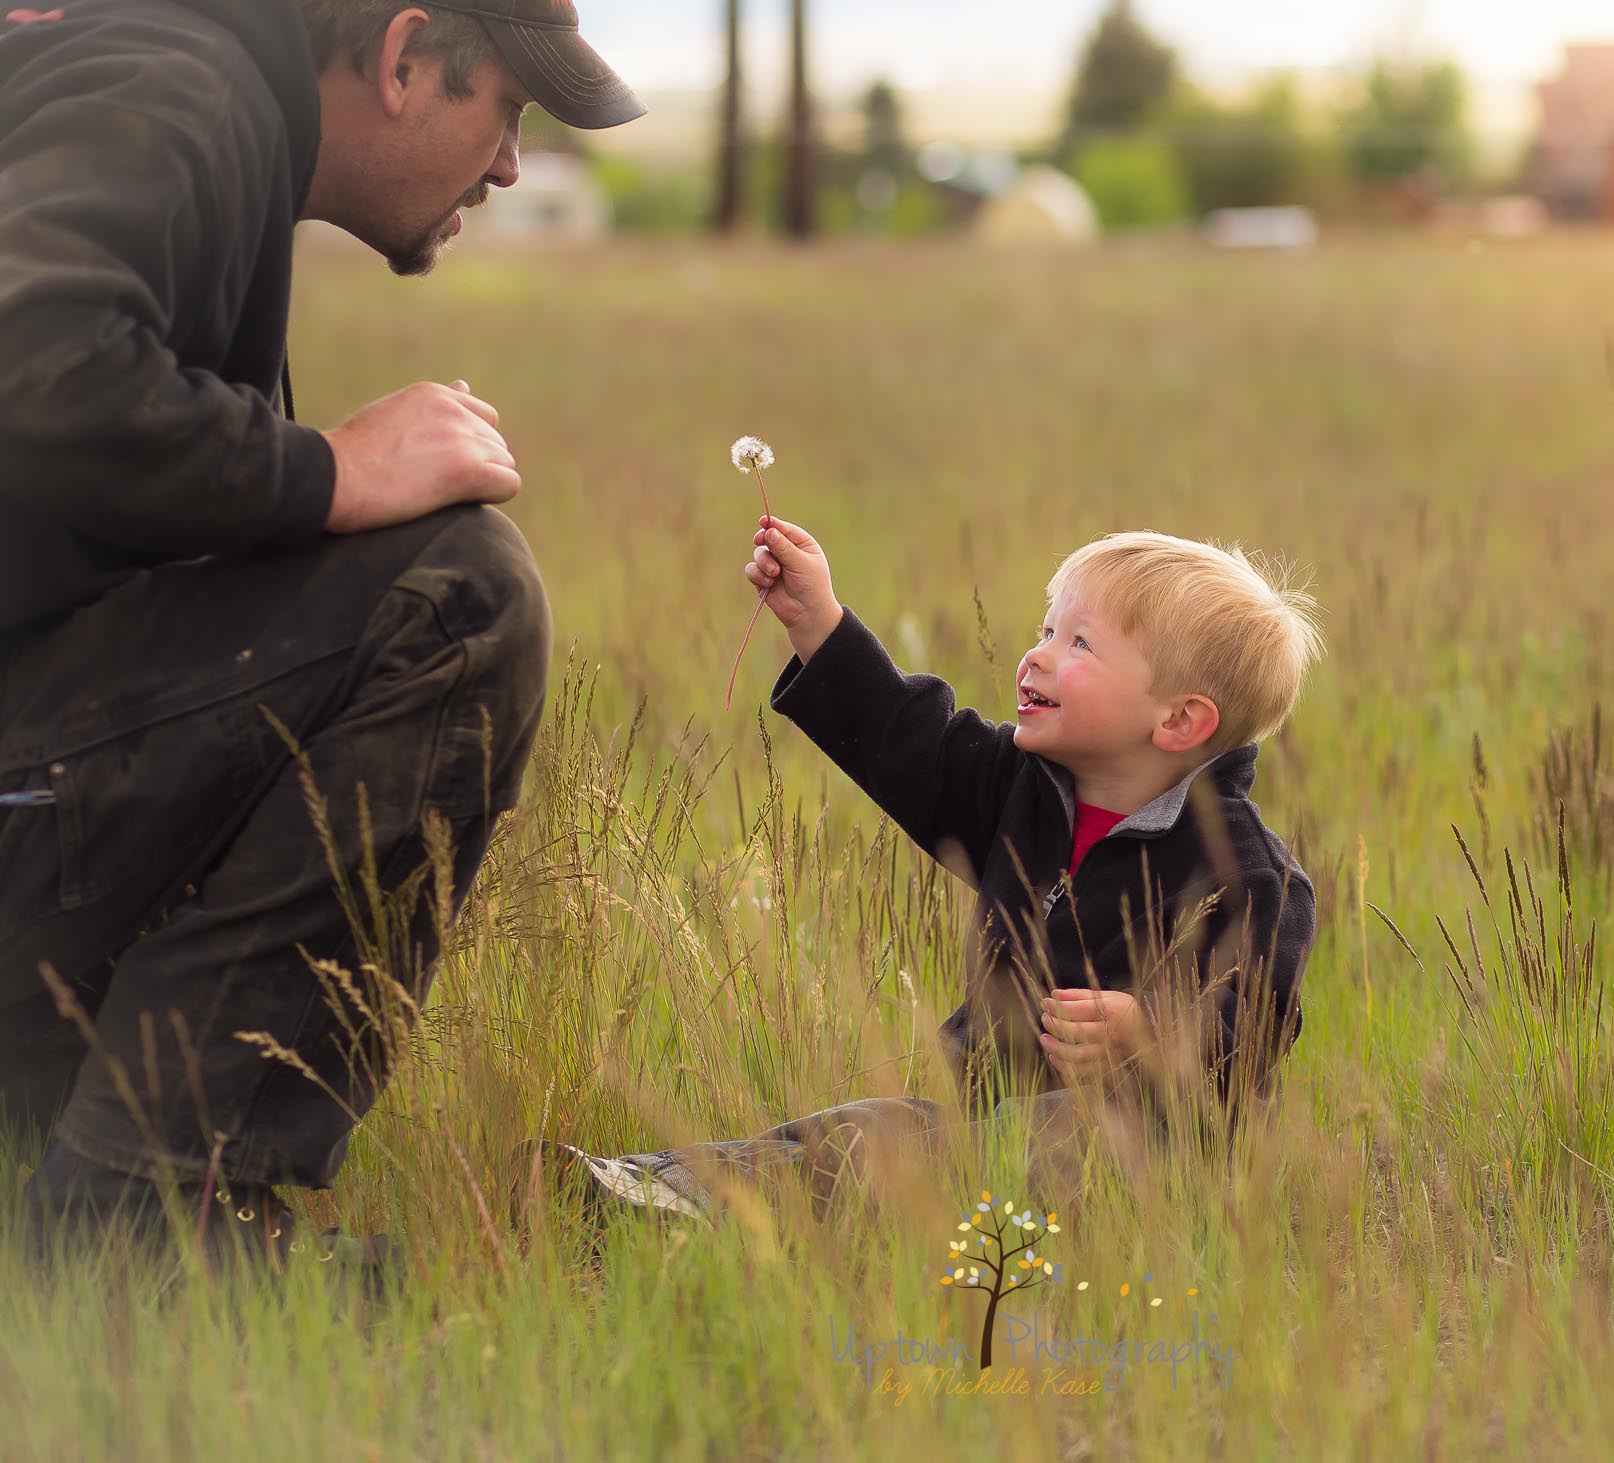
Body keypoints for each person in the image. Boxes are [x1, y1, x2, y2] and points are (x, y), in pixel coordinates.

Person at [0, 0, 641, 1265]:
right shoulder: (179, 83)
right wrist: (323, 473)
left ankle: (72, 1147)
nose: (511, 164)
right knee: (454, 595)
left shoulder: (144, 70)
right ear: (403, 57)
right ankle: (142, 1221)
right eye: (505, 108)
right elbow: (31, 349)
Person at [546, 518, 1324, 1220]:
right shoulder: (1026, 791)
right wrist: (820, 623)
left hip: (1146, 1160)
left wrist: (1146, 1031)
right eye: (1047, 629)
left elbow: (1256, 1022)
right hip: (982, 1121)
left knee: (894, 1145)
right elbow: (907, 741)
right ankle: (644, 1183)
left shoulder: (1248, 877)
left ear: (1180, 719)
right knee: (859, 1125)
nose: (1036, 655)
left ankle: (690, 1210)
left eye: (1078, 645)